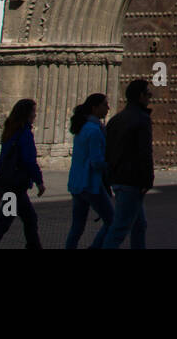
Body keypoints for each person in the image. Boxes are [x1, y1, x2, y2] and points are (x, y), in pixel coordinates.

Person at [0, 98, 45, 249]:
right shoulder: (24, 134)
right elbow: (29, 160)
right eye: (33, 112)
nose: (35, 115)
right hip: (15, 187)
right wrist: (39, 181)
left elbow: (2, 162)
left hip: (10, 184)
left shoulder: (11, 131)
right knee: (7, 220)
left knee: (27, 218)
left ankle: (33, 245)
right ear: (27, 114)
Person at [104, 79, 154, 248]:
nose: (150, 98)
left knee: (139, 225)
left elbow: (107, 151)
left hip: (118, 179)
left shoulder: (116, 119)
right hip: (131, 181)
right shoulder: (141, 119)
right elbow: (144, 153)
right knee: (120, 227)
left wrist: (109, 176)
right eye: (148, 94)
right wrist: (148, 180)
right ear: (140, 96)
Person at [65, 93, 113, 249]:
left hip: (76, 183)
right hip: (91, 184)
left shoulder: (82, 128)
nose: (108, 108)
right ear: (95, 107)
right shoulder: (94, 130)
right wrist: (111, 167)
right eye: (105, 104)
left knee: (77, 226)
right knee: (112, 221)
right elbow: (96, 161)